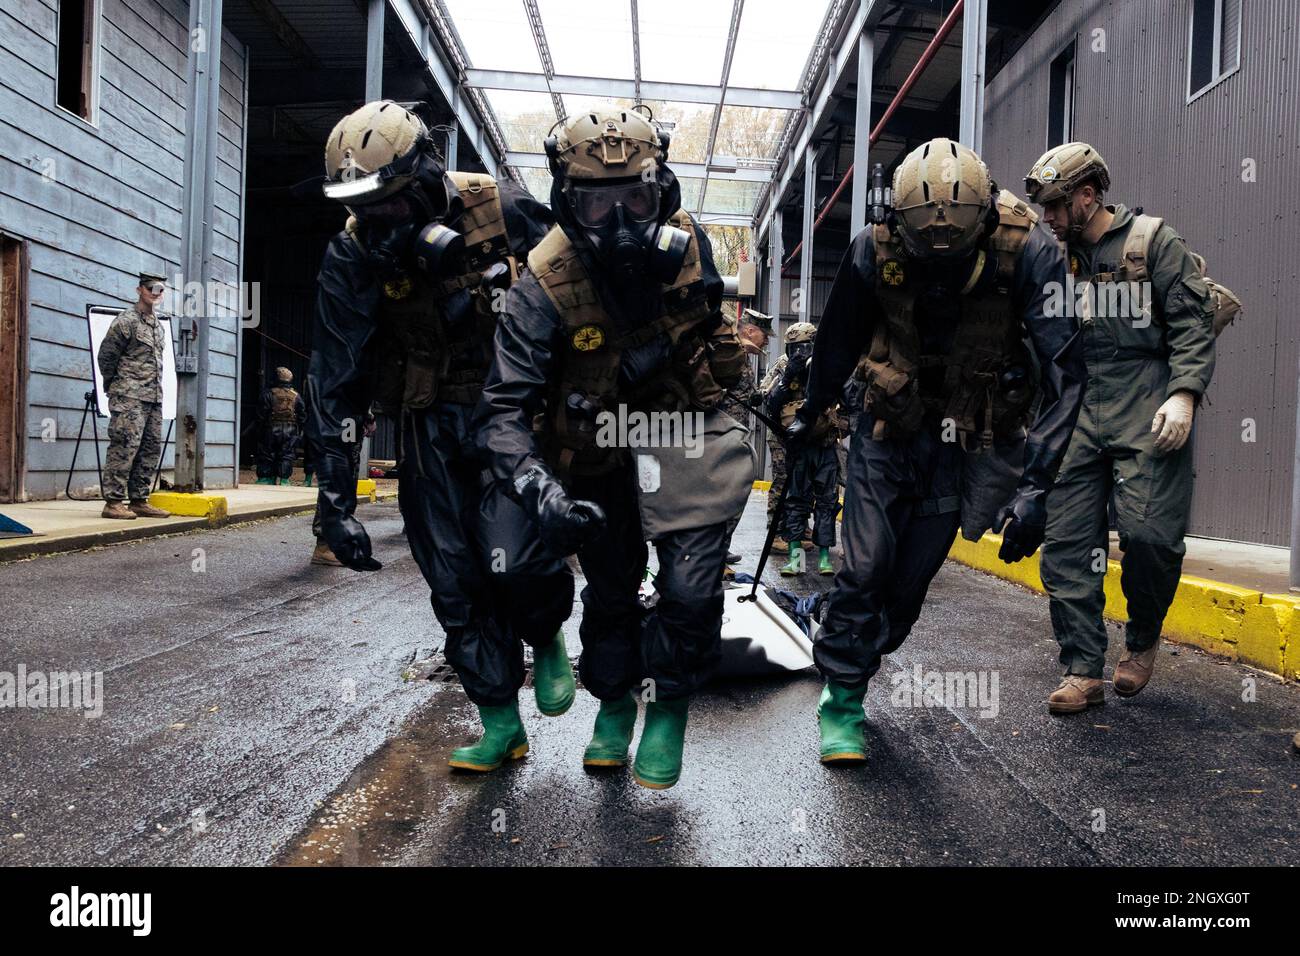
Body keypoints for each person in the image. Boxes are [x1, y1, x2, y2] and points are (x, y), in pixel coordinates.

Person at [475, 106, 753, 789]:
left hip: (680, 434)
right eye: (597, 205)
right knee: (611, 588)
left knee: (689, 589)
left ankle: (668, 705)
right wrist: (542, 492)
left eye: (636, 197)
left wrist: (657, 349)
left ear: (664, 192)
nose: (622, 220)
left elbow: (707, 320)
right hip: (593, 445)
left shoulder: (688, 243)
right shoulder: (541, 283)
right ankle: (615, 702)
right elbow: (503, 409)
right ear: (568, 204)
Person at [790, 138, 1085, 763]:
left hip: (962, 440)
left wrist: (1036, 488)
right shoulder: (874, 247)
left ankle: (849, 637)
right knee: (866, 566)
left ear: (981, 223)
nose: (939, 266)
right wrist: (809, 412)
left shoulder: (1027, 248)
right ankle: (842, 697)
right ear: (902, 223)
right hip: (885, 430)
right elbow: (839, 338)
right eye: (928, 252)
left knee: (903, 598)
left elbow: (1066, 368)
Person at [307, 100, 575, 772]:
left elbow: (576, 302)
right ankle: (499, 720)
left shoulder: (503, 211)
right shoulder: (353, 253)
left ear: (425, 175)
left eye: (390, 207)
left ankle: (544, 636)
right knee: (453, 582)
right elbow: (334, 375)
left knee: (514, 559)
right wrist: (333, 503)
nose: (378, 225)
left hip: (513, 420)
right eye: (362, 210)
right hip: (430, 423)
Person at [1024, 142, 1216, 713]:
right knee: (1065, 543)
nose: (1049, 217)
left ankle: (1143, 637)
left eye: (1057, 204)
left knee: (1150, 536)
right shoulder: (1051, 258)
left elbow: (1192, 320)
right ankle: (1083, 668)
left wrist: (1183, 395)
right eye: (1043, 207)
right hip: (1076, 408)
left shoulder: (1153, 242)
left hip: (1146, 399)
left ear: (1088, 195)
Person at [765, 321, 840, 577]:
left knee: (827, 502)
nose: (800, 352)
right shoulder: (783, 367)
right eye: (795, 347)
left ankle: (823, 557)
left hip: (825, 444)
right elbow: (770, 404)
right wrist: (787, 379)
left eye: (806, 347)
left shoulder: (828, 366)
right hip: (798, 448)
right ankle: (795, 558)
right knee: (796, 501)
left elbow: (848, 400)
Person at [97, 273, 172, 520]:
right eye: (151, 288)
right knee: (124, 446)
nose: (156, 293)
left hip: (153, 396)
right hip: (128, 395)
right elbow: (106, 357)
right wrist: (116, 385)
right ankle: (114, 502)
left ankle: (139, 499)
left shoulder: (158, 326)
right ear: (139, 289)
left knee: (149, 449)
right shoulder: (126, 321)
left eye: (161, 289)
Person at [719, 319, 768, 576]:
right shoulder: (730, 353)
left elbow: (740, 392)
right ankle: (715, 557)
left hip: (734, 434)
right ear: (749, 331)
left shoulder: (741, 357)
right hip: (723, 437)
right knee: (730, 496)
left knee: (733, 495)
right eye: (764, 334)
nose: (767, 340)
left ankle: (719, 550)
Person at [254, 367, 305, 485]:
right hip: (290, 429)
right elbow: (302, 415)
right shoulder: (296, 396)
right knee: (286, 454)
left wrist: (259, 430)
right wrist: (299, 430)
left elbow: (261, 415)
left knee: (267, 452)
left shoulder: (268, 394)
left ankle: (265, 478)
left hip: (270, 428)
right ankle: (284, 479)